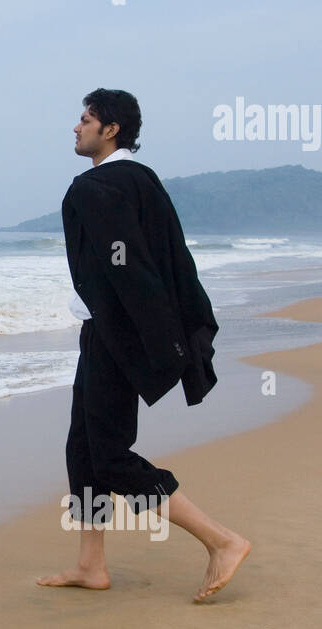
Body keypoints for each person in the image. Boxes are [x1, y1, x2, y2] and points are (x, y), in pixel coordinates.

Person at [36, 89, 250, 602]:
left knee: (109, 455)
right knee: (84, 448)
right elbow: (167, 260)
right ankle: (91, 566)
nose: (76, 127)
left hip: (115, 334)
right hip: (112, 332)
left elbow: (126, 267)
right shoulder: (141, 179)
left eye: (85, 119)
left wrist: (144, 341)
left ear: (110, 129)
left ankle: (221, 541)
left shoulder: (100, 185)